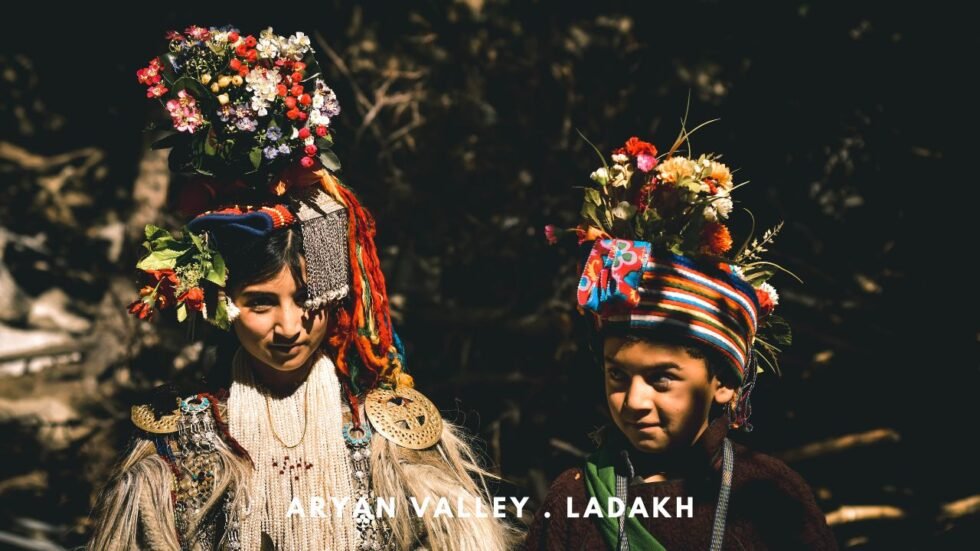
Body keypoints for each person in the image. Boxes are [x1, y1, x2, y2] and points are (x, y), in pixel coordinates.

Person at [88, 25, 516, 551]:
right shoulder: (172, 451)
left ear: (335, 300)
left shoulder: (393, 443)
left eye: (309, 300)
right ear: (222, 303)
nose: (289, 327)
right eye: (260, 303)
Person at [524, 134, 838, 550]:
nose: (634, 401)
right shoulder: (575, 499)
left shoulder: (770, 494)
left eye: (661, 379)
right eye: (617, 375)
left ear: (723, 383)